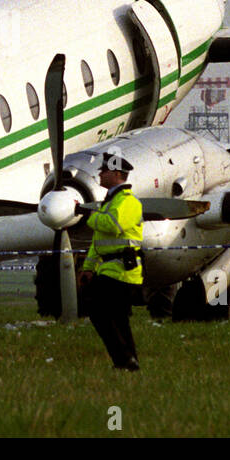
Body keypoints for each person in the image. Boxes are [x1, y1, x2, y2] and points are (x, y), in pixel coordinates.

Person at [79, 150, 144, 370]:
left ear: (116, 173)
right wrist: (88, 267)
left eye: (104, 170)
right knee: (118, 318)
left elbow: (112, 225)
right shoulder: (109, 203)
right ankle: (130, 362)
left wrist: (89, 216)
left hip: (122, 271)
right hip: (110, 269)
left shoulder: (128, 202)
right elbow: (99, 241)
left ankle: (123, 360)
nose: (100, 173)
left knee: (97, 311)